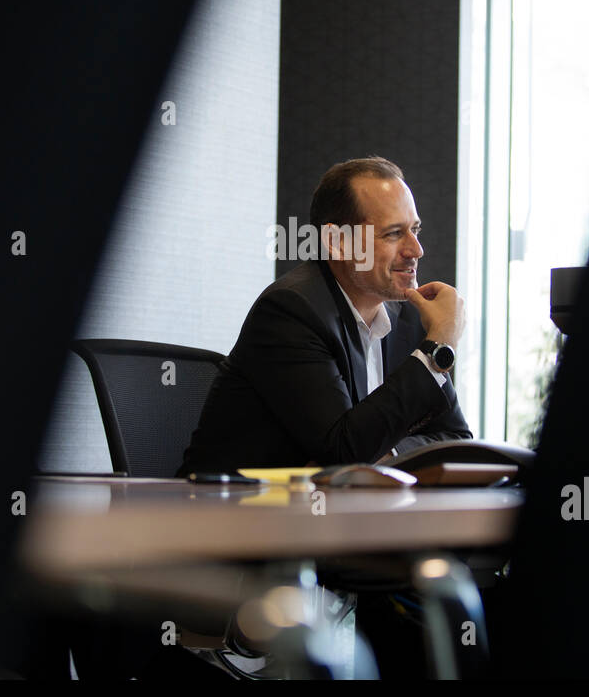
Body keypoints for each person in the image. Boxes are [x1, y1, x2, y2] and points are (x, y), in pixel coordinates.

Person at [176, 156, 471, 477]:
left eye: (414, 229)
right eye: (393, 234)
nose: (416, 249)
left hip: (341, 517)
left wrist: (390, 454)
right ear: (337, 242)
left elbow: (455, 439)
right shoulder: (289, 313)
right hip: (233, 516)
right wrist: (435, 350)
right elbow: (342, 454)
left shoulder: (410, 317)